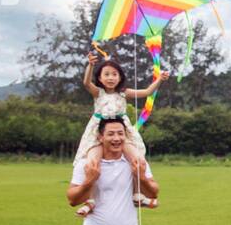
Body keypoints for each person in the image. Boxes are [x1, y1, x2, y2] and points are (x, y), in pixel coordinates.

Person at [72, 49, 168, 212]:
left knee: (138, 159)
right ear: (100, 78)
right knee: (92, 163)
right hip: (98, 132)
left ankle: (138, 195)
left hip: (121, 131)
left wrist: (160, 79)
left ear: (120, 77)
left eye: (114, 74)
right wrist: (90, 65)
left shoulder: (124, 93)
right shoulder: (98, 93)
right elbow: (86, 83)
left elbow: (146, 92)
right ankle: (90, 200)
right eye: (106, 74)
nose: (110, 78)